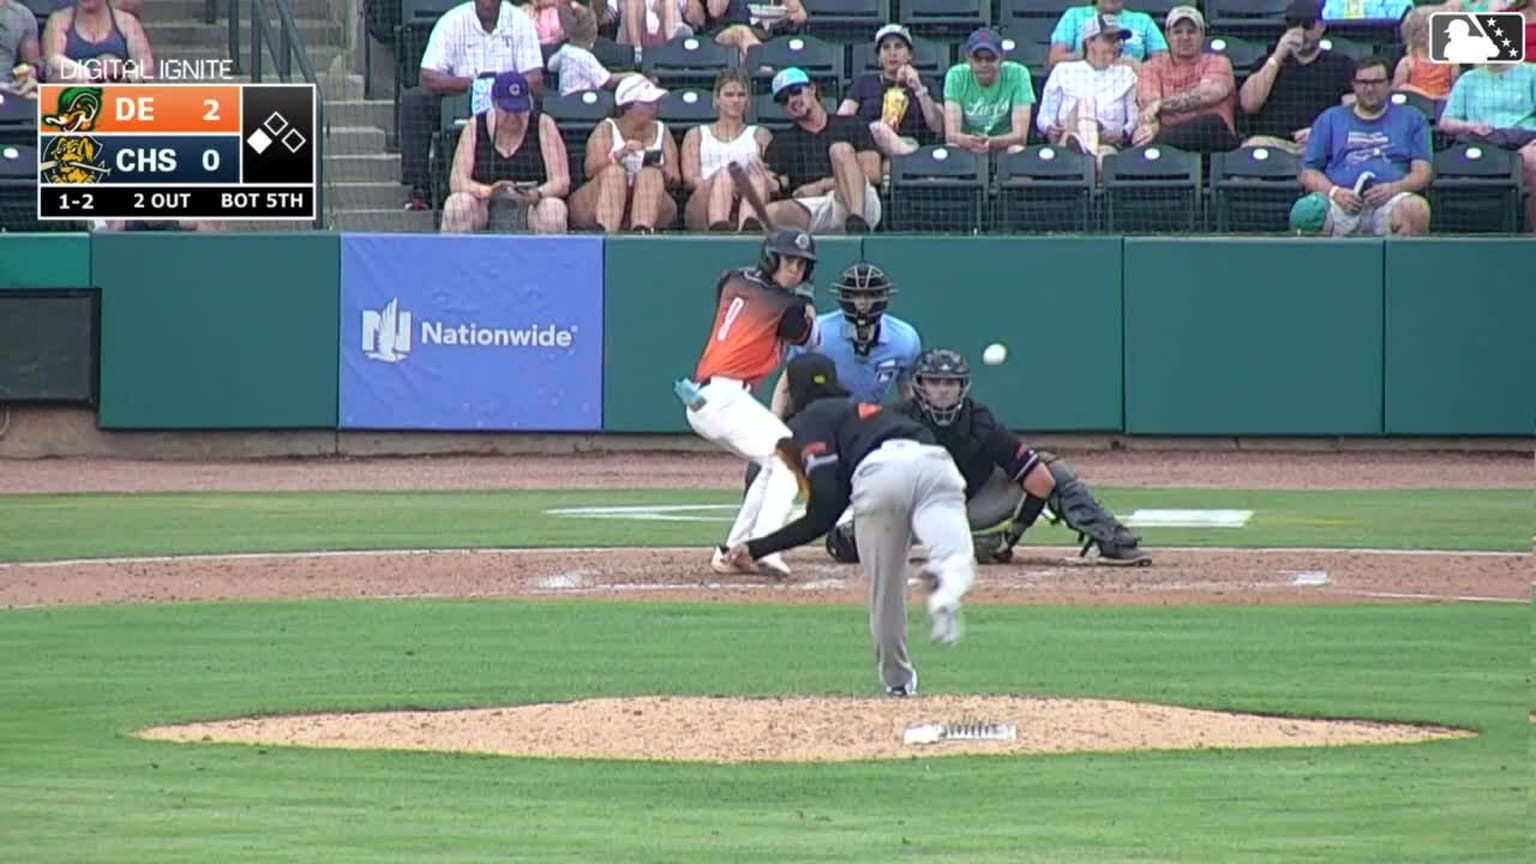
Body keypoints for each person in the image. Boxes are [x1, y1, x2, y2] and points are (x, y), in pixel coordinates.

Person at [723, 352, 975, 697]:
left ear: (794, 392)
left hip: (881, 472)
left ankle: (898, 682)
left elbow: (824, 509)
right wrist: (758, 548)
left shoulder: (810, 421)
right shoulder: (864, 412)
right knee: (952, 548)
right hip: (935, 462)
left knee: (887, 591)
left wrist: (756, 547)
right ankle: (948, 585)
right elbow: (829, 507)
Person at [823, 348, 1151, 567]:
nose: (942, 390)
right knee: (846, 546)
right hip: (911, 510)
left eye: (950, 383)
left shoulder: (981, 420)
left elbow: (1040, 481)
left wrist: (1007, 540)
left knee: (1050, 467)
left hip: (972, 504)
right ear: (920, 386)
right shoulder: (894, 418)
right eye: (935, 382)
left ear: (962, 387)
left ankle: (1112, 540)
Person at [676, 227, 819, 578]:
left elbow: (735, 283)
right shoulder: (788, 306)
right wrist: (806, 304)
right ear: (771, 259)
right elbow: (808, 337)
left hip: (707, 399)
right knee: (790, 460)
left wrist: (791, 296)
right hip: (723, 396)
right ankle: (765, 548)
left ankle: (733, 550)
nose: (796, 270)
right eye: (789, 261)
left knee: (775, 466)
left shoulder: (734, 280)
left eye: (802, 265)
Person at [1296, 55, 1433, 236]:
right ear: (1353, 85)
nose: (1369, 89)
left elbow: (1423, 173)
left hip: (1390, 201)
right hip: (1340, 202)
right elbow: (1309, 172)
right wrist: (1335, 192)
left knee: (1416, 209)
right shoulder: (1330, 118)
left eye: (1377, 82)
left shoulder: (1412, 118)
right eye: (1363, 82)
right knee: (1306, 212)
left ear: (1390, 84)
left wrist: (1394, 189)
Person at [440, 70, 571, 234]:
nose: (513, 117)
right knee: (457, 206)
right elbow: (457, 181)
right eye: (507, 111)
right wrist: (487, 191)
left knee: (554, 211)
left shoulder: (543, 125)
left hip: (532, 207)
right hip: (484, 206)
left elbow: (562, 181)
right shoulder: (476, 126)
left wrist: (536, 194)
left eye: (519, 110)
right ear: (494, 104)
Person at [569, 75, 680, 232]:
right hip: (602, 196)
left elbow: (675, 178)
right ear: (628, 106)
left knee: (651, 174)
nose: (654, 107)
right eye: (647, 103)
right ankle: (607, 234)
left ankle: (641, 231)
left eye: (655, 102)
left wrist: (659, 168)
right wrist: (619, 155)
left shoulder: (662, 130)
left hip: (650, 198)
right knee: (615, 173)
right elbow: (590, 170)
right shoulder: (606, 127)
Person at [680, 70, 772, 231]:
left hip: (749, 195)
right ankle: (719, 225)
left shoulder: (761, 134)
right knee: (727, 173)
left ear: (748, 101)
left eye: (741, 95)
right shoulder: (696, 134)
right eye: (729, 95)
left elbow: (769, 175)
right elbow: (690, 179)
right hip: (704, 199)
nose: (735, 100)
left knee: (756, 177)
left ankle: (749, 227)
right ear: (717, 99)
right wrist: (725, 185)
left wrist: (741, 186)